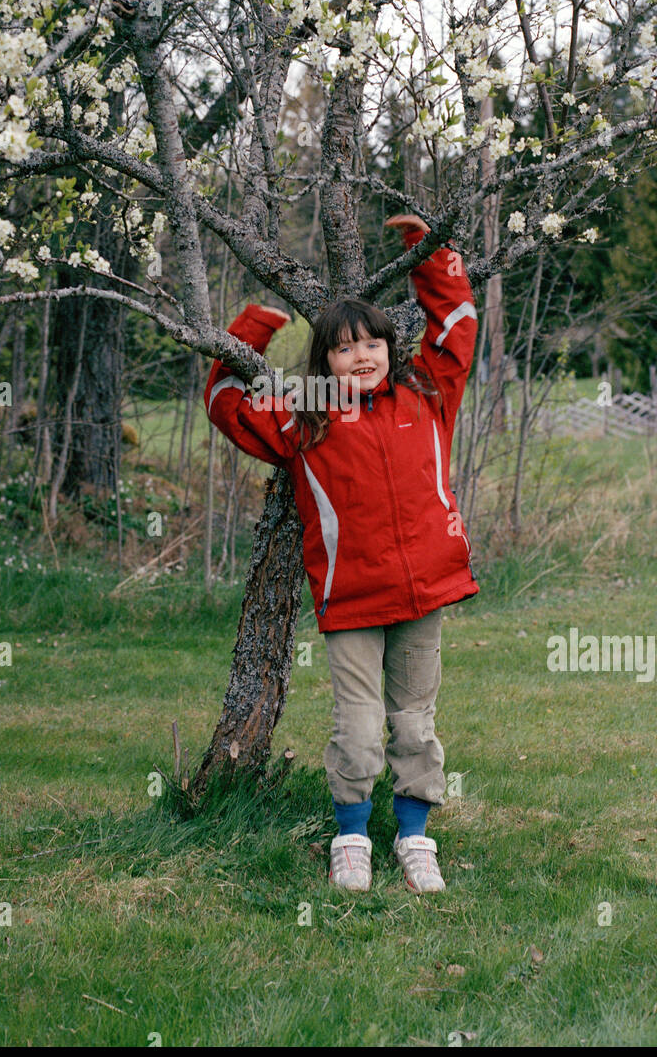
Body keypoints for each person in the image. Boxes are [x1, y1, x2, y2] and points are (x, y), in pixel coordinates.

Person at [203, 214, 479, 893]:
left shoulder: (425, 397)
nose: (360, 358)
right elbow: (226, 402)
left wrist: (433, 255)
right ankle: (351, 836)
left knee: (414, 726)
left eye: (372, 346)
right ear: (322, 361)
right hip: (352, 599)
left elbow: (457, 330)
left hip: (426, 591)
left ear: (391, 349)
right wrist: (256, 325)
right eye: (343, 349)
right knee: (357, 733)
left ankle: (415, 839)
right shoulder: (309, 415)